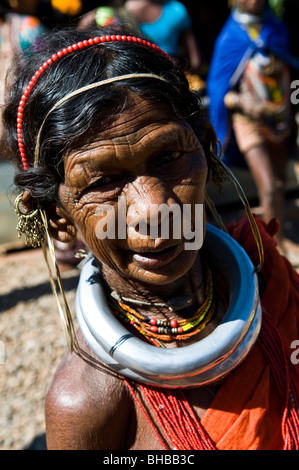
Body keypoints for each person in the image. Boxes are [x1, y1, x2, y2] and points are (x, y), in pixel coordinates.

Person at [2, 26, 299, 450]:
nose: (153, 210)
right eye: (103, 181)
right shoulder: (88, 403)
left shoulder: (269, 275)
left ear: (207, 149)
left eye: (169, 157)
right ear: (58, 217)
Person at [207, 0, 298, 256]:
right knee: (268, 187)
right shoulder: (229, 39)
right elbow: (218, 91)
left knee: (279, 184)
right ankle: (272, 250)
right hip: (247, 121)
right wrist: (240, 101)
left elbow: (291, 71)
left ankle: (277, 239)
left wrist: (290, 105)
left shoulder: (276, 29)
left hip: (280, 118)